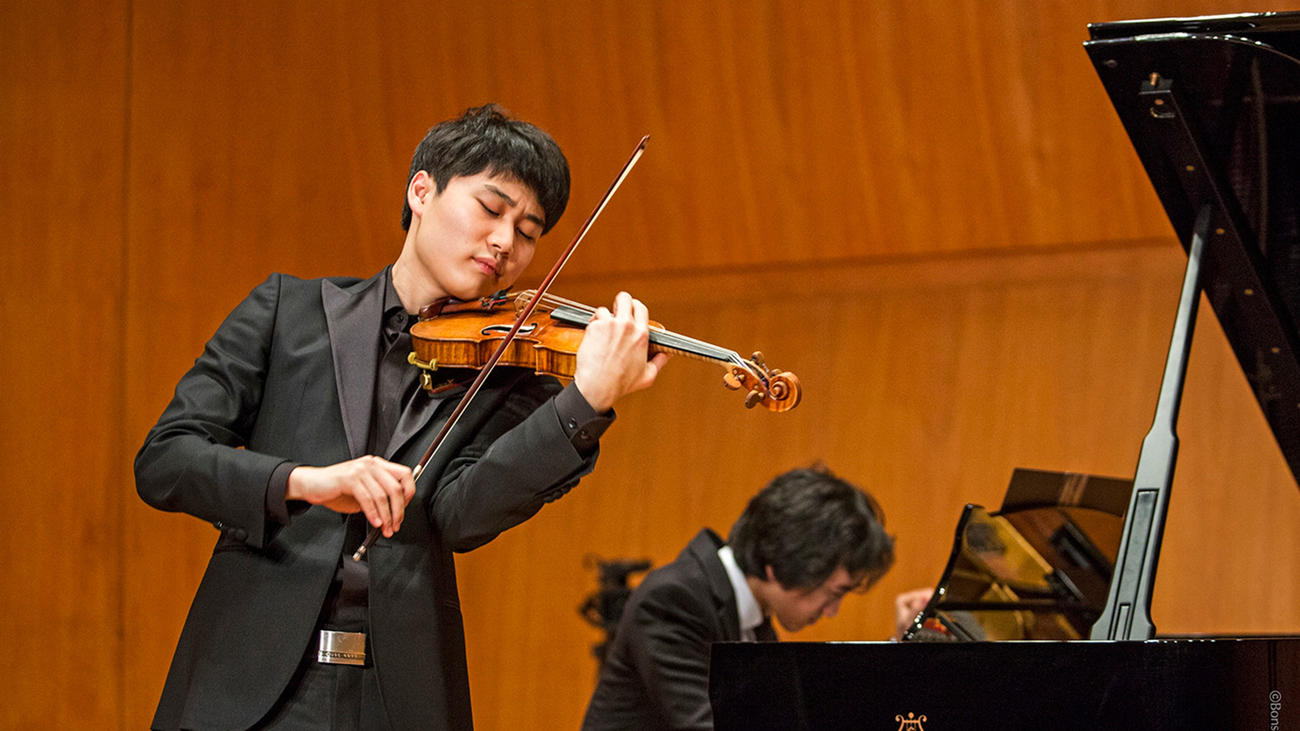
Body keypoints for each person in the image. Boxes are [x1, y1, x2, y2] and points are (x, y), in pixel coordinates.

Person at [135, 104, 669, 730]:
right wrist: (305, 481)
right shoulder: (289, 313)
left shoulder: (509, 374)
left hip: (396, 700)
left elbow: (461, 516)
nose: (505, 242)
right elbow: (166, 459)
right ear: (422, 190)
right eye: (491, 209)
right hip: (244, 692)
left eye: (529, 231)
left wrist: (587, 400)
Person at [581, 464, 904, 731]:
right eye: (835, 593)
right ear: (783, 564)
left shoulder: (753, 613)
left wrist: (899, 650)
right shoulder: (675, 601)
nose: (833, 611)